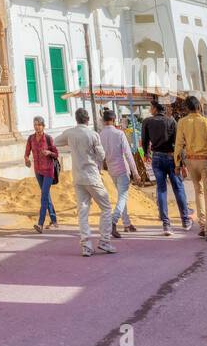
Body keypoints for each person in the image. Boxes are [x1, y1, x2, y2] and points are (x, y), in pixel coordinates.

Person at [58, 108, 114, 257]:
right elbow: (101, 156)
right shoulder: (93, 134)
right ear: (87, 119)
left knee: (83, 211)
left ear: (76, 119)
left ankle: (86, 245)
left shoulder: (70, 133)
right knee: (106, 207)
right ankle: (105, 240)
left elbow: (56, 141)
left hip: (78, 177)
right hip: (92, 176)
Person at [174, 95, 207, 241]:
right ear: (199, 107)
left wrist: (177, 164)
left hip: (191, 160)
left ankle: (202, 225)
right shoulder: (206, 122)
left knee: (198, 192)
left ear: (187, 108)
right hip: (205, 161)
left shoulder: (182, 122)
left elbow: (178, 145)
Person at [141, 96, 192, 236]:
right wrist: (181, 163)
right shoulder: (171, 121)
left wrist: (146, 154)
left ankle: (166, 224)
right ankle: (185, 220)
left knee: (161, 189)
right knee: (178, 187)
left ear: (155, 109)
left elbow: (144, 141)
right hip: (171, 157)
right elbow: (179, 144)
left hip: (156, 157)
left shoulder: (147, 121)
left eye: (151, 107)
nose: (150, 110)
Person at [99, 109, 139, 238]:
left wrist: (99, 169)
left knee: (122, 197)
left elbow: (99, 155)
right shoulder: (119, 133)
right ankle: (113, 221)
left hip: (111, 170)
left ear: (104, 121)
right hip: (122, 169)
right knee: (123, 197)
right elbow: (128, 154)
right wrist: (135, 172)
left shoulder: (100, 135)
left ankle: (126, 223)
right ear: (114, 120)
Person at [24, 116, 59, 233]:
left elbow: (56, 154)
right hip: (38, 171)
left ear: (43, 126)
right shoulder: (31, 139)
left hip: (49, 171)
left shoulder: (48, 139)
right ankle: (54, 219)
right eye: (35, 124)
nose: (37, 127)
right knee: (46, 194)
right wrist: (27, 160)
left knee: (44, 195)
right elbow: (26, 153)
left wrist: (49, 152)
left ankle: (40, 223)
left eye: (39, 125)